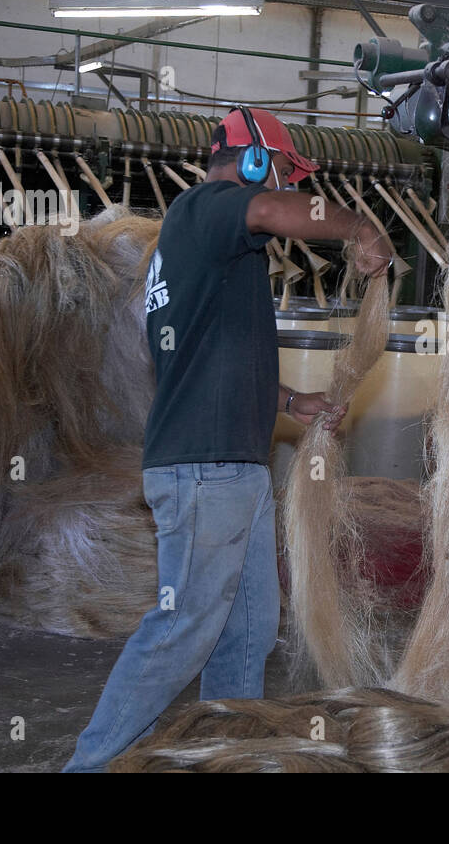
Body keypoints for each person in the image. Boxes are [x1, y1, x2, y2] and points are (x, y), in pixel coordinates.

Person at [63, 106, 389, 771]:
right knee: (184, 629)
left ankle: (224, 756)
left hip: (233, 470)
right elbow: (271, 211)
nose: (284, 188)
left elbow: (209, 361)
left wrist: (293, 402)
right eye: (282, 172)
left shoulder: (207, 254)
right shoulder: (205, 209)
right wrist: (356, 225)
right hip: (205, 471)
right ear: (253, 163)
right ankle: (90, 765)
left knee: (245, 633)